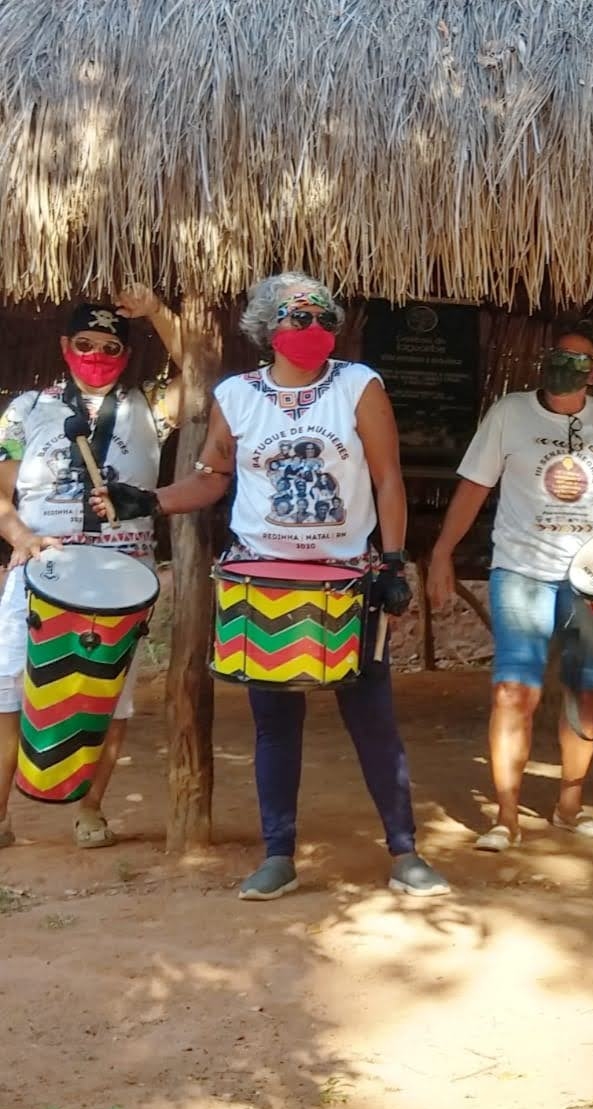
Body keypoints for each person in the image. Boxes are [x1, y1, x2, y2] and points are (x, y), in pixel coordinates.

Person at [92, 271, 448, 900]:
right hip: (264, 583)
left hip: (348, 581)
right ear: (266, 330)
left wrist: (393, 563)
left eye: (321, 319)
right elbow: (211, 480)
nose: (311, 331)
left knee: (373, 720)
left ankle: (405, 851)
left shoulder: (358, 387)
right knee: (274, 726)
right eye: (295, 318)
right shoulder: (237, 395)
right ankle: (278, 855)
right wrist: (145, 500)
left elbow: (388, 479)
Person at [427, 322, 593, 848]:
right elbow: (474, 487)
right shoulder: (509, 414)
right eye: (557, 355)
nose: (563, 365)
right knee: (512, 691)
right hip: (522, 569)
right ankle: (505, 819)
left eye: (578, 360)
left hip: (592, 576)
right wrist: (441, 552)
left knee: (586, 690)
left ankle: (570, 803)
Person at [0, 288, 183, 849]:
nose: (96, 353)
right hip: (41, 569)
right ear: (64, 346)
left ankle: (91, 809)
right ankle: (0, 817)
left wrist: (156, 314)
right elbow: (1, 494)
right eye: (84, 343)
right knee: (9, 692)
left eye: (109, 346)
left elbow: (197, 367)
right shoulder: (25, 409)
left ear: (126, 353)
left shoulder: (153, 408)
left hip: (120, 576)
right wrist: (21, 536)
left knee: (110, 696)